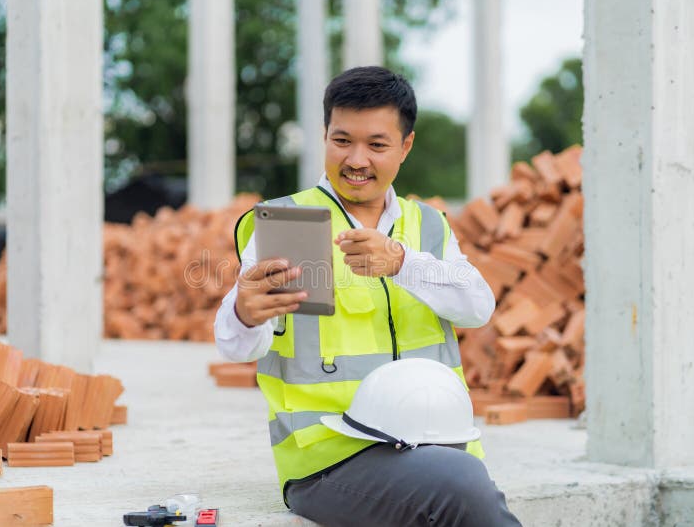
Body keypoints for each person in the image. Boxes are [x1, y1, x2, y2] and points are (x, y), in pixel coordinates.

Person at [214, 66, 521, 527]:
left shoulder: (428, 226)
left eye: (376, 145)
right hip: (330, 459)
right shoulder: (286, 223)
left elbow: (477, 307)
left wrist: (403, 263)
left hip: (436, 446)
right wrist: (244, 311)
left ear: (406, 146)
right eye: (342, 141)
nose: (356, 160)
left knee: (460, 481)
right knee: (463, 488)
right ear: (324, 136)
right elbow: (237, 344)